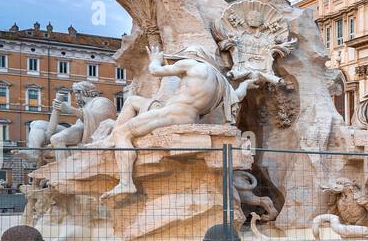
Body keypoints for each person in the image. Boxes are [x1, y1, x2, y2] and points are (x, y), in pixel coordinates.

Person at [99, 45, 258, 200]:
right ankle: (112, 144)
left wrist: (155, 59)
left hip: (173, 113)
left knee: (122, 133)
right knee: (134, 102)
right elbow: (237, 96)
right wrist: (245, 84)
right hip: (189, 117)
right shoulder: (222, 83)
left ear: (192, 55)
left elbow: (155, 71)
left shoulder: (191, 64)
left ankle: (126, 182)